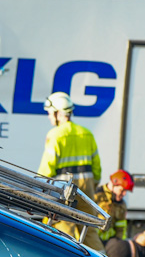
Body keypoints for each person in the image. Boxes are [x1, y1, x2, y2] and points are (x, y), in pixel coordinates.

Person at [38, 91, 102, 241]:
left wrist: (39, 186)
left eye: (50, 113)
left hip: (64, 188)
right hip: (87, 187)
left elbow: (47, 167)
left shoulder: (55, 135)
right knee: (89, 230)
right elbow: (97, 167)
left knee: (62, 228)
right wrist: (93, 184)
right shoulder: (86, 133)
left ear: (58, 113)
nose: (49, 116)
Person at [92, 170, 134, 257]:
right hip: (91, 240)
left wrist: (120, 246)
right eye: (122, 190)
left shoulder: (121, 205)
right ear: (114, 184)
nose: (124, 194)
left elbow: (121, 227)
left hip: (109, 242)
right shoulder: (96, 196)